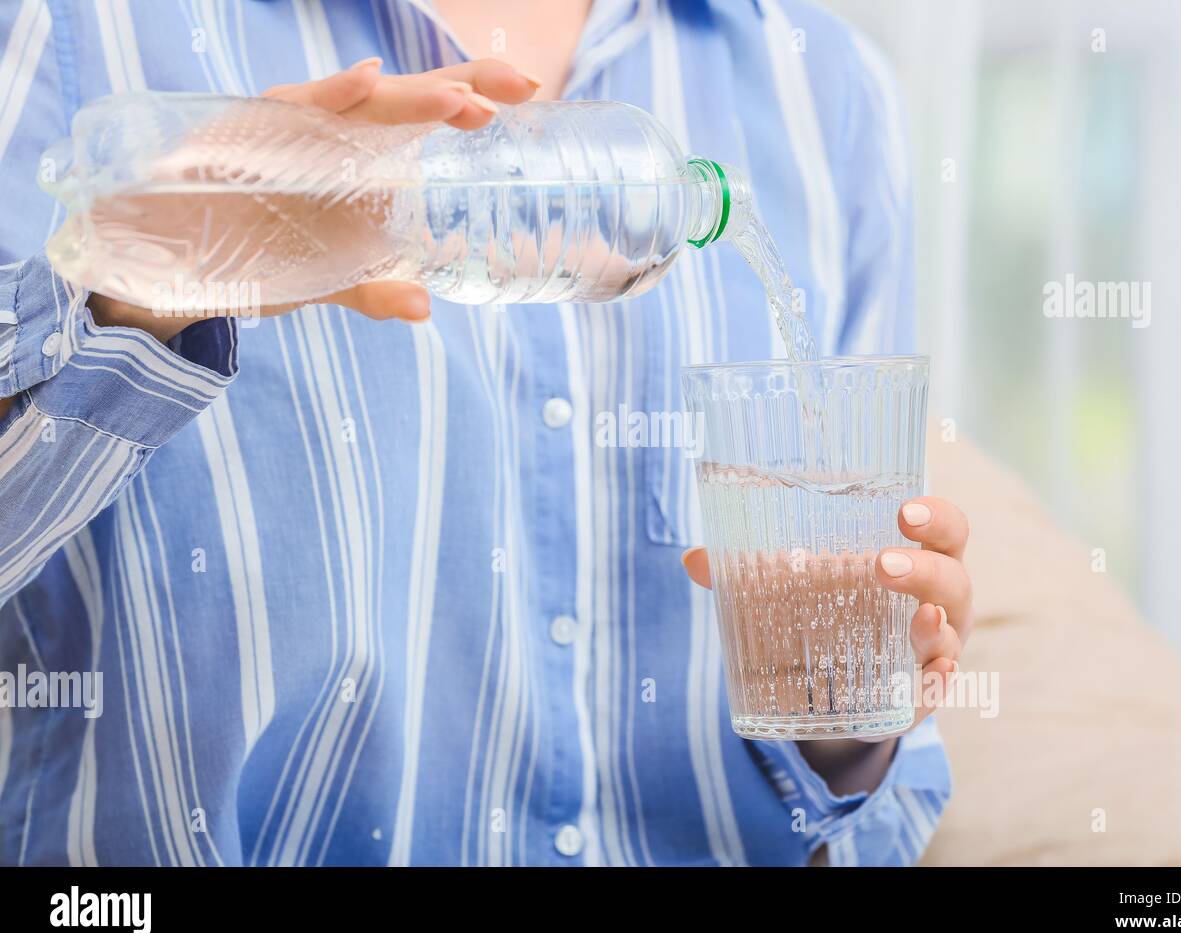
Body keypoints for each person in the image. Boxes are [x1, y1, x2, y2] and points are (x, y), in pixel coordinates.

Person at [0, 0, 972, 866]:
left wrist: (846, 724)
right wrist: (133, 296)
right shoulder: (70, 31)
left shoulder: (823, 87)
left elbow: (872, 805)